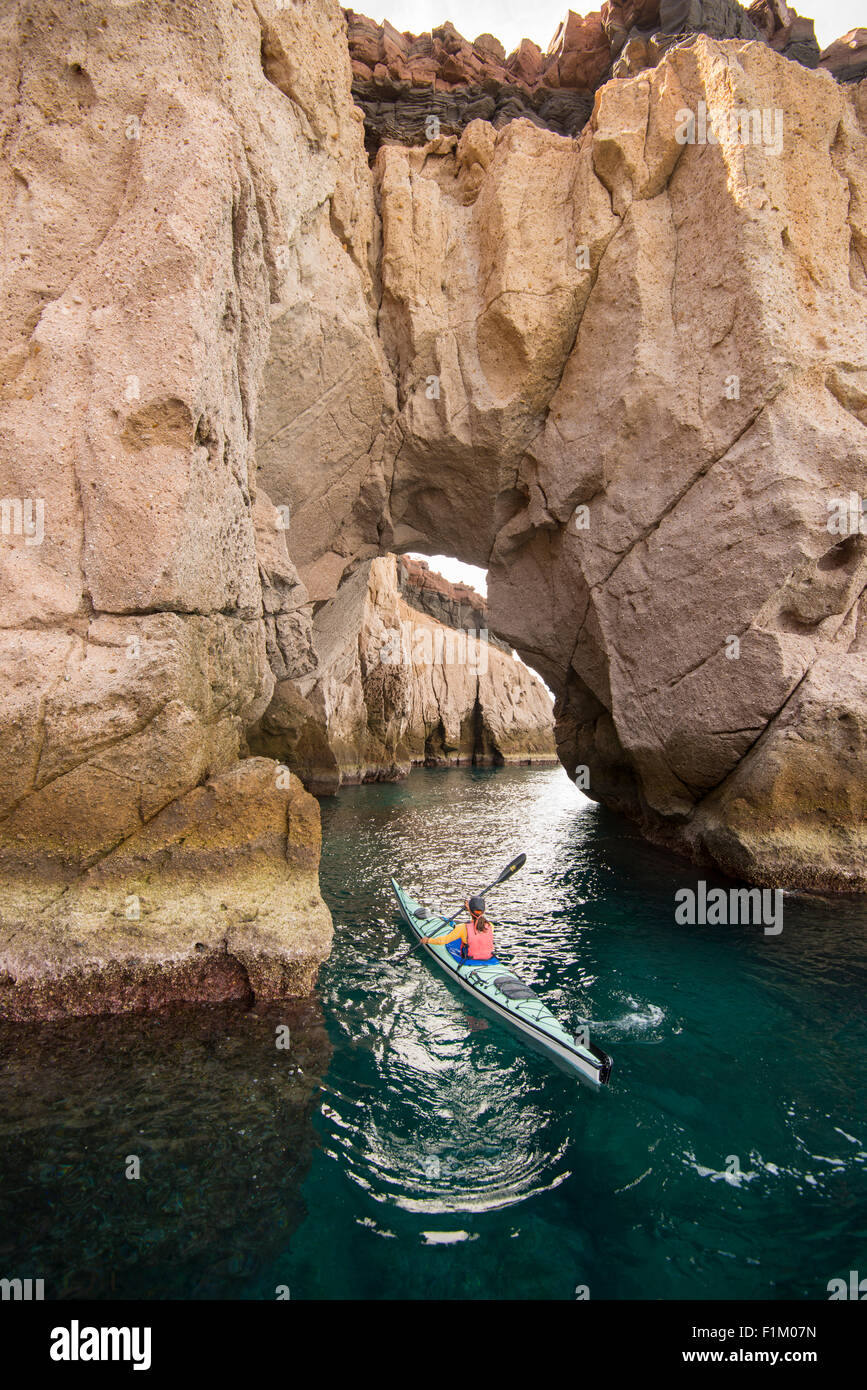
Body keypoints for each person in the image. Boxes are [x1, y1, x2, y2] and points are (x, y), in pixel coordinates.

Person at [426, 896, 495, 962]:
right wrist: (469, 909)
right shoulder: (490, 926)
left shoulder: (462, 928)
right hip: (488, 958)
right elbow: (477, 919)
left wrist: (428, 940)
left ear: (470, 911)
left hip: (470, 959)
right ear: (483, 911)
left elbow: (443, 941)